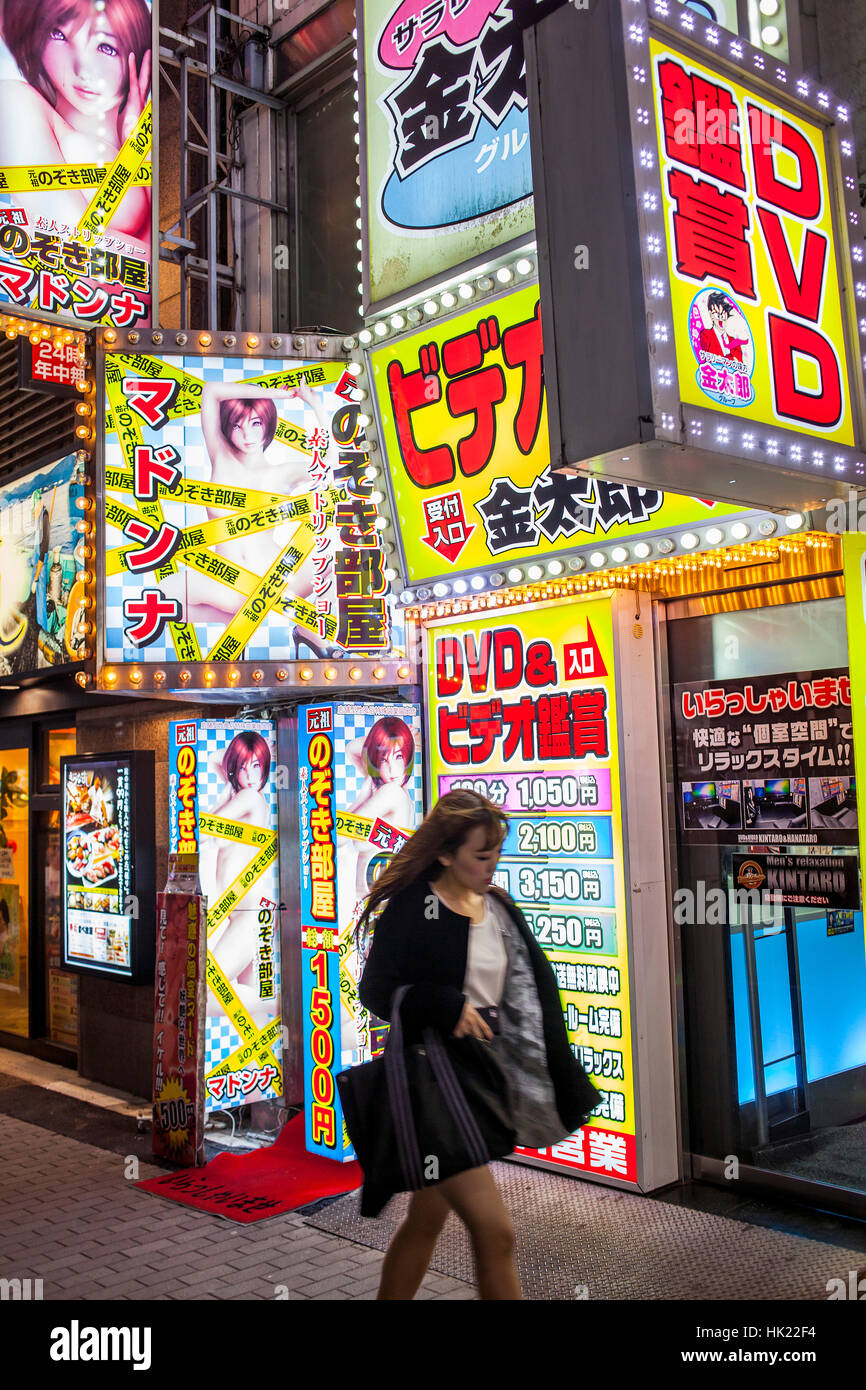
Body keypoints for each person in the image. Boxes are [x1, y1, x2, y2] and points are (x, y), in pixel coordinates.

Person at [356, 789, 601, 1301]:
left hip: (481, 1078)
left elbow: (533, 997)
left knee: (425, 1223)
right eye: (481, 856)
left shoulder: (498, 907)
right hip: (436, 1084)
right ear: (445, 853)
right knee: (497, 1232)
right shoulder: (413, 906)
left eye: (495, 855)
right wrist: (445, 1006)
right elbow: (375, 990)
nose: (491, 867)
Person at [0, 0, 152, 244]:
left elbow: (160, 261)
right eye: (59, 35)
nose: (83, 69)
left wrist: (137, 137)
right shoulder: (15, 102)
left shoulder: (139, 139)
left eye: (106, 48)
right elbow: (73, 248)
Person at [200, 730, 274, 1025]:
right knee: (249, 1013)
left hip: (249, 914)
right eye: (243, 767)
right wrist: (236, 764)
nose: (250, 775)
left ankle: (284, 1002)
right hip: (245, 913)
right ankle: (261, 1067)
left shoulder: (250, 798)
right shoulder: (241, 796)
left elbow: (205, 827)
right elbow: (216, 759)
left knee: (207, 990)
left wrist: (236, 769)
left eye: (257, 765)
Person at [699, 292, 749, 363]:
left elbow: (740, 364)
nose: (720, 318)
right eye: (716, 314)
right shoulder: (706, 335)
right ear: (711, 315)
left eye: (723, 314)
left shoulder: (733, 341)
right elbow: (709, 358)